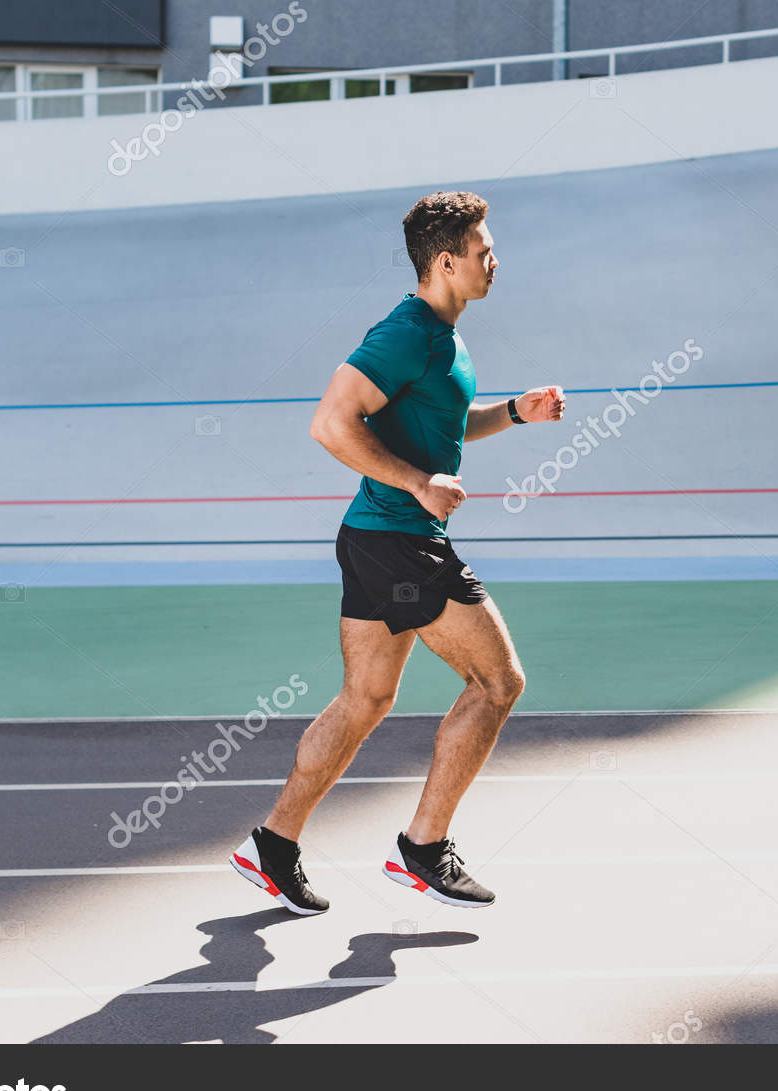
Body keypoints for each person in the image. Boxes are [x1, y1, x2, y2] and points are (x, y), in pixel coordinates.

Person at [231, 190, 565, 914]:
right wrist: (417, 483)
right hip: (399, 542)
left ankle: (274, 844)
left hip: (378, 538)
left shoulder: (446, 337)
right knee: (499, 682)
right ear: (446, 262)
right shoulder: (406, 332)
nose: (494, 261)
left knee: (367, 697)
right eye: (484, 251)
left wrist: (513, 413)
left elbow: (441, 424)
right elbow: (330, 423)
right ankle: (423, 848)